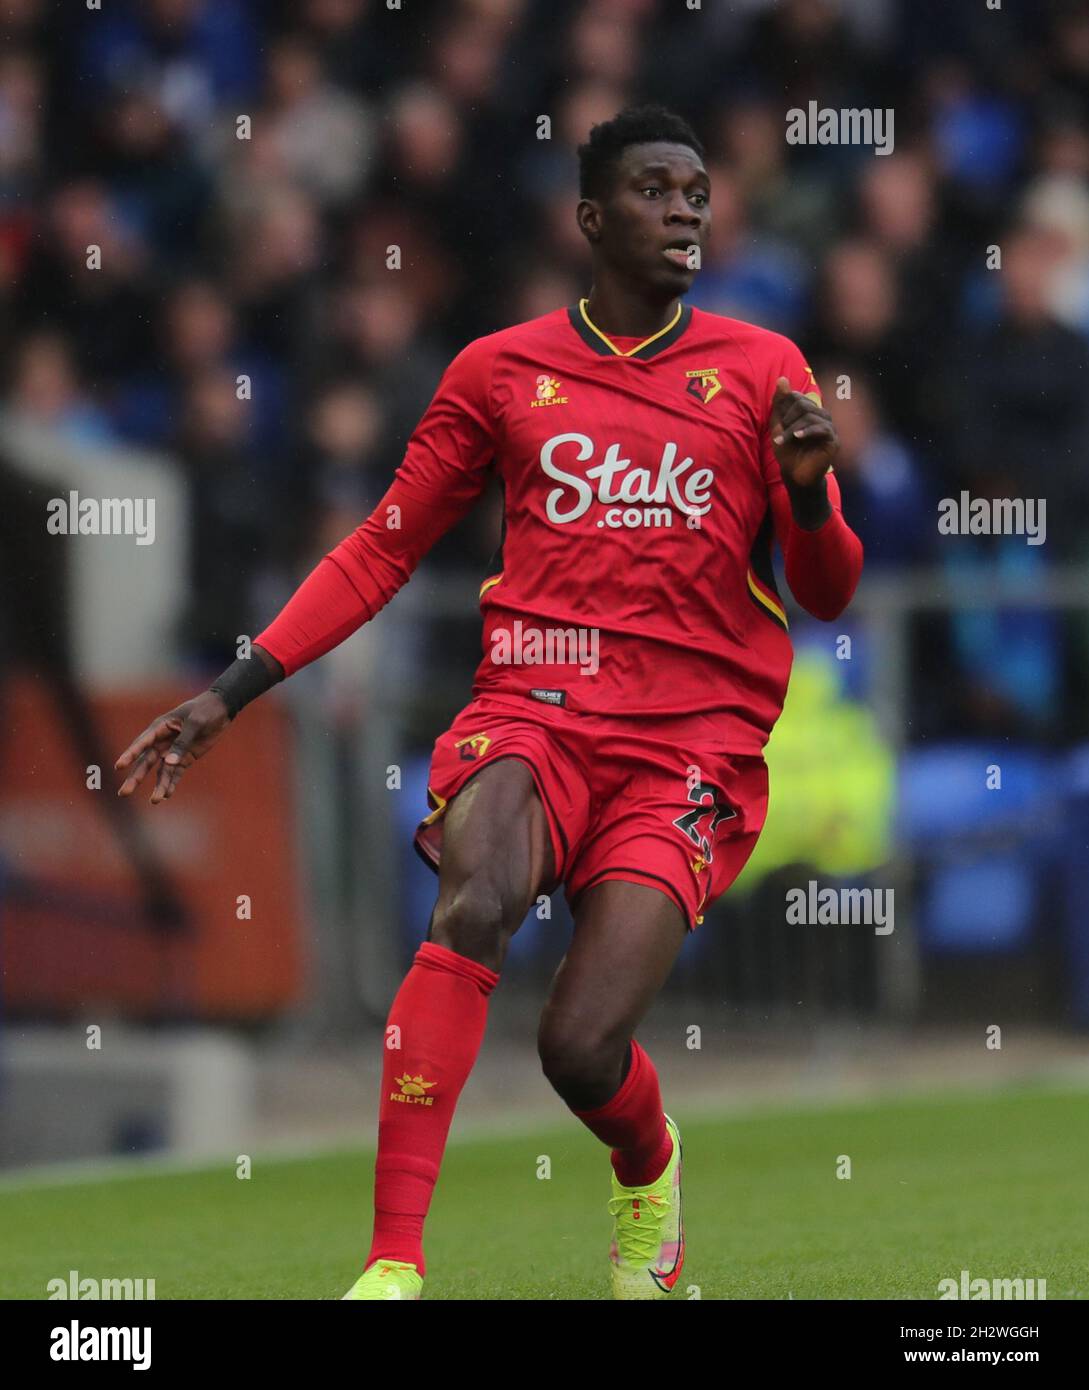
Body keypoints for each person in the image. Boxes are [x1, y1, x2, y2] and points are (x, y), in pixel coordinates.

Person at [114, 106, 862, 1301]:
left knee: (577, 1045)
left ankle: (649, 1165)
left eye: (697, 191)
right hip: (535, 710)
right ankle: (394, 1259)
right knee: (473, 903)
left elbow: (824, 593)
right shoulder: (499, 372)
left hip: (688, 747)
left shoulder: (763, 367)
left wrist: (816, 500)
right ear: (590, 218)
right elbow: (379, 549)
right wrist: (234, 687)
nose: (687, 210)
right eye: (657, 189)